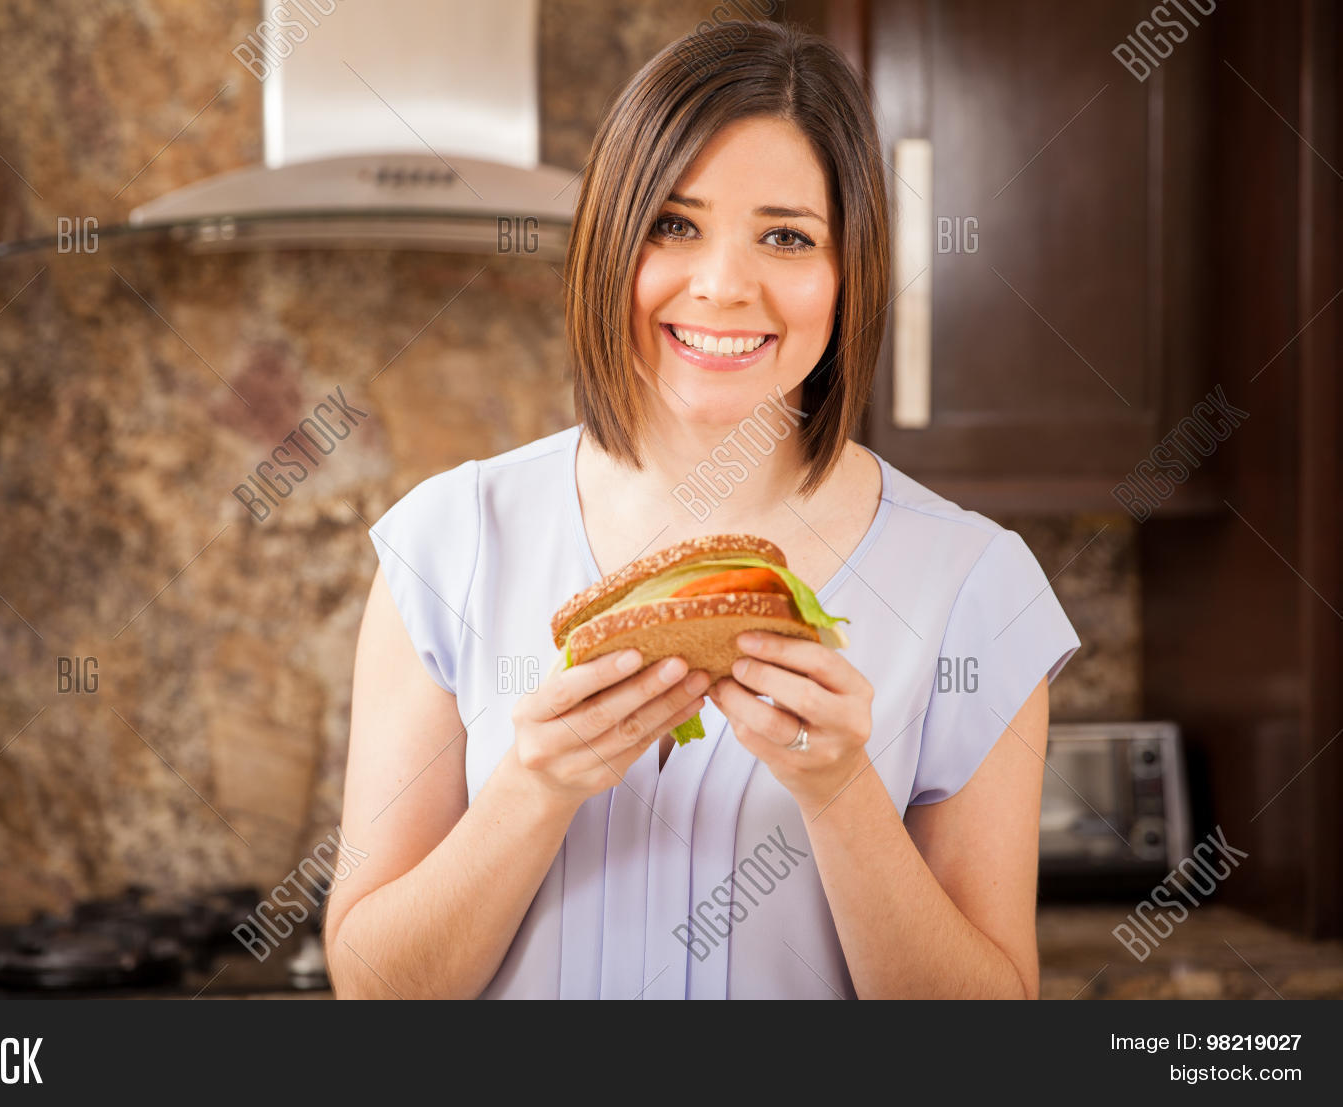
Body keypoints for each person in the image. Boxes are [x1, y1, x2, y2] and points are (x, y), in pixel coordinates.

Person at [323, 20, 1080, 999]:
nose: (723, 284)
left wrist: (842, 792)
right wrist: (533, 789)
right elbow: (376, 993)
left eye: (787, 236)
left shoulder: (977, 588)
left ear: (851, 273)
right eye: (674, 225)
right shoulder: (447, 544)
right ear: (609, 243)